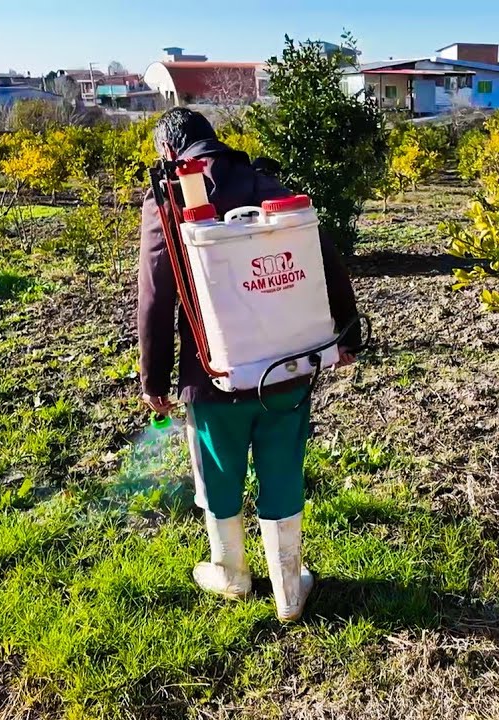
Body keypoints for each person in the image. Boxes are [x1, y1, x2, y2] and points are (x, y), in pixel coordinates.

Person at [137, 108, 362, 622]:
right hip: (287, 368)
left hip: (213, 374)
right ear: (213, 141)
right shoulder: (268, 181)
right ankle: (289, 591)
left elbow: (155, 295)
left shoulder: (169, 199)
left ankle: (231, 575)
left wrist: (153, 377)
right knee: (282, 465)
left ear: (170, 154)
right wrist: (348, 335)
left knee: (219, 468)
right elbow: (325, 259)